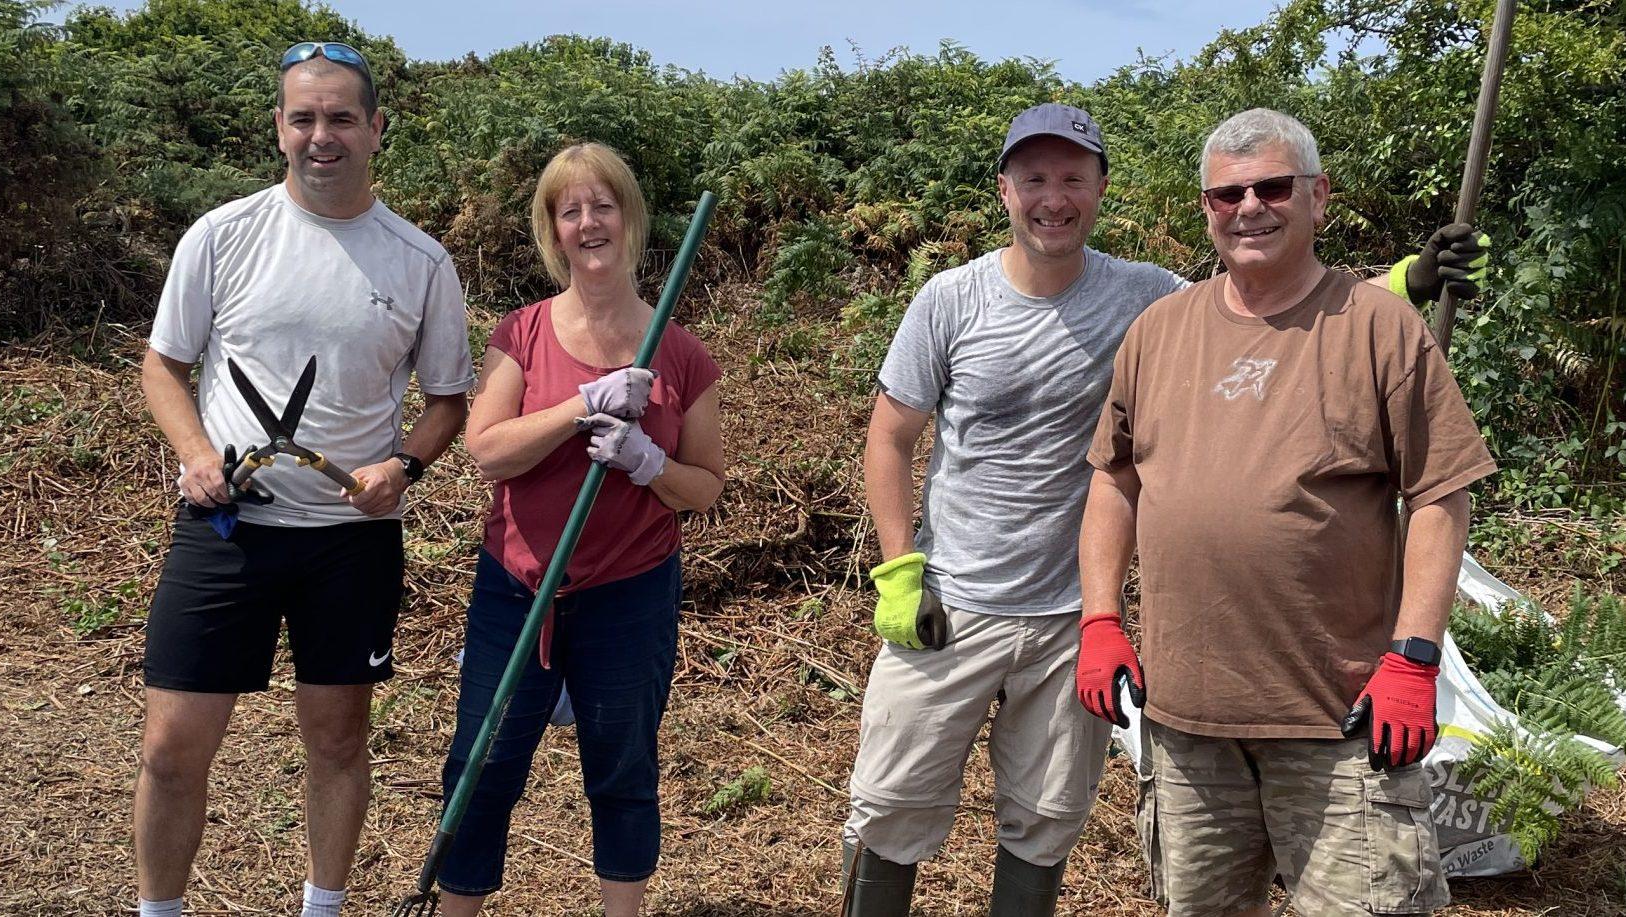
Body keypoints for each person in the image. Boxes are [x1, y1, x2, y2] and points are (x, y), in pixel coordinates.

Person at [845, 102, 1487, 916]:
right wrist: (899, 570)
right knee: (893, 802)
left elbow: (1280, 304)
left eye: (1073, 177)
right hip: (955, 602)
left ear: (1101, 187)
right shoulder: (957, 301)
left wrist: (1410, 282)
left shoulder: (1145, 299)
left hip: (1070, 620)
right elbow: (891, 437)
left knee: (1043, 820)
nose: (1054, 196)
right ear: (1004, 189)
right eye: (1034, 177)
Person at [1077, 108, 1495, 917]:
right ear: (1206, 207)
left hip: (1339, 728)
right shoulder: (1159, 331)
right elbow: (1113, 481)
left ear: (1317, 198)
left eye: (1273, 187)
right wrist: (1100, 620)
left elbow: (1442, 493)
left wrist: (1413, 658)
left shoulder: (1379, 327)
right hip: (1188, 728)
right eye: (1226, 194)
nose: (1249, 208)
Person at [135, 42, 473, 917]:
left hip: (350, 543)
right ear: (279, 128)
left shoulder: (421, 261)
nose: (323, 135)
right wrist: (198, 454)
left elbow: (448, 401)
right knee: (171, 747)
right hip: (226, 527)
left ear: (375, 129)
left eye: (341, 118)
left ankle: (322, 907)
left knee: (336, 738)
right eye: (305, 118)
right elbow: (163, 367)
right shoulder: (222, 234)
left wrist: (403, 464)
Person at [435, 142, 724, 917]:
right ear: (552, 230)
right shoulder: (521, 333)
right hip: (518, 589)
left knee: (622, 766)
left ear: (630, 217)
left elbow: (704, 487)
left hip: (631, 594)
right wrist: (580, 408)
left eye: (604, 205)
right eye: (571, 210)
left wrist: (646, 459)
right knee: (483, 761)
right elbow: (487, 450)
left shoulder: (683, 352)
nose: (589, 221)